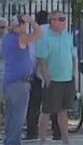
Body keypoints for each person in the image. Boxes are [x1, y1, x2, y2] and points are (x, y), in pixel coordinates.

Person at [36, 10, 77, 145]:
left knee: (63, 110)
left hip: (67, 79)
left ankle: (65, 138)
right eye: (56, 19)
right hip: (53, 80)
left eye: (62, 19)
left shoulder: (68, 36)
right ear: (51, 21)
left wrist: (73, 73)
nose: (60, 21)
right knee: (46, 111)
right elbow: (41, 60)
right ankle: (42, 139)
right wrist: (46, 78)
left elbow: (73, 55)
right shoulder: (44, 37)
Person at [2, 14, 43, 145]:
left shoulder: (7, 38)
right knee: (19, 115)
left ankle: (8, 138)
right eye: (24, 24)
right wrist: (32, 20)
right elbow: (39, 34)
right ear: (20, 25)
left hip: (9, 81)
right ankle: (13, 141)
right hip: (20, 82)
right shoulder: (20, 38)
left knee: (11, 113)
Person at [26, 10, 60, 141]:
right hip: (56, 72)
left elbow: (32, 55)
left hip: (39, 74)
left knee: (34, 105)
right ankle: (57, 132)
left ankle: (32, 131)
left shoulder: (35, 33)